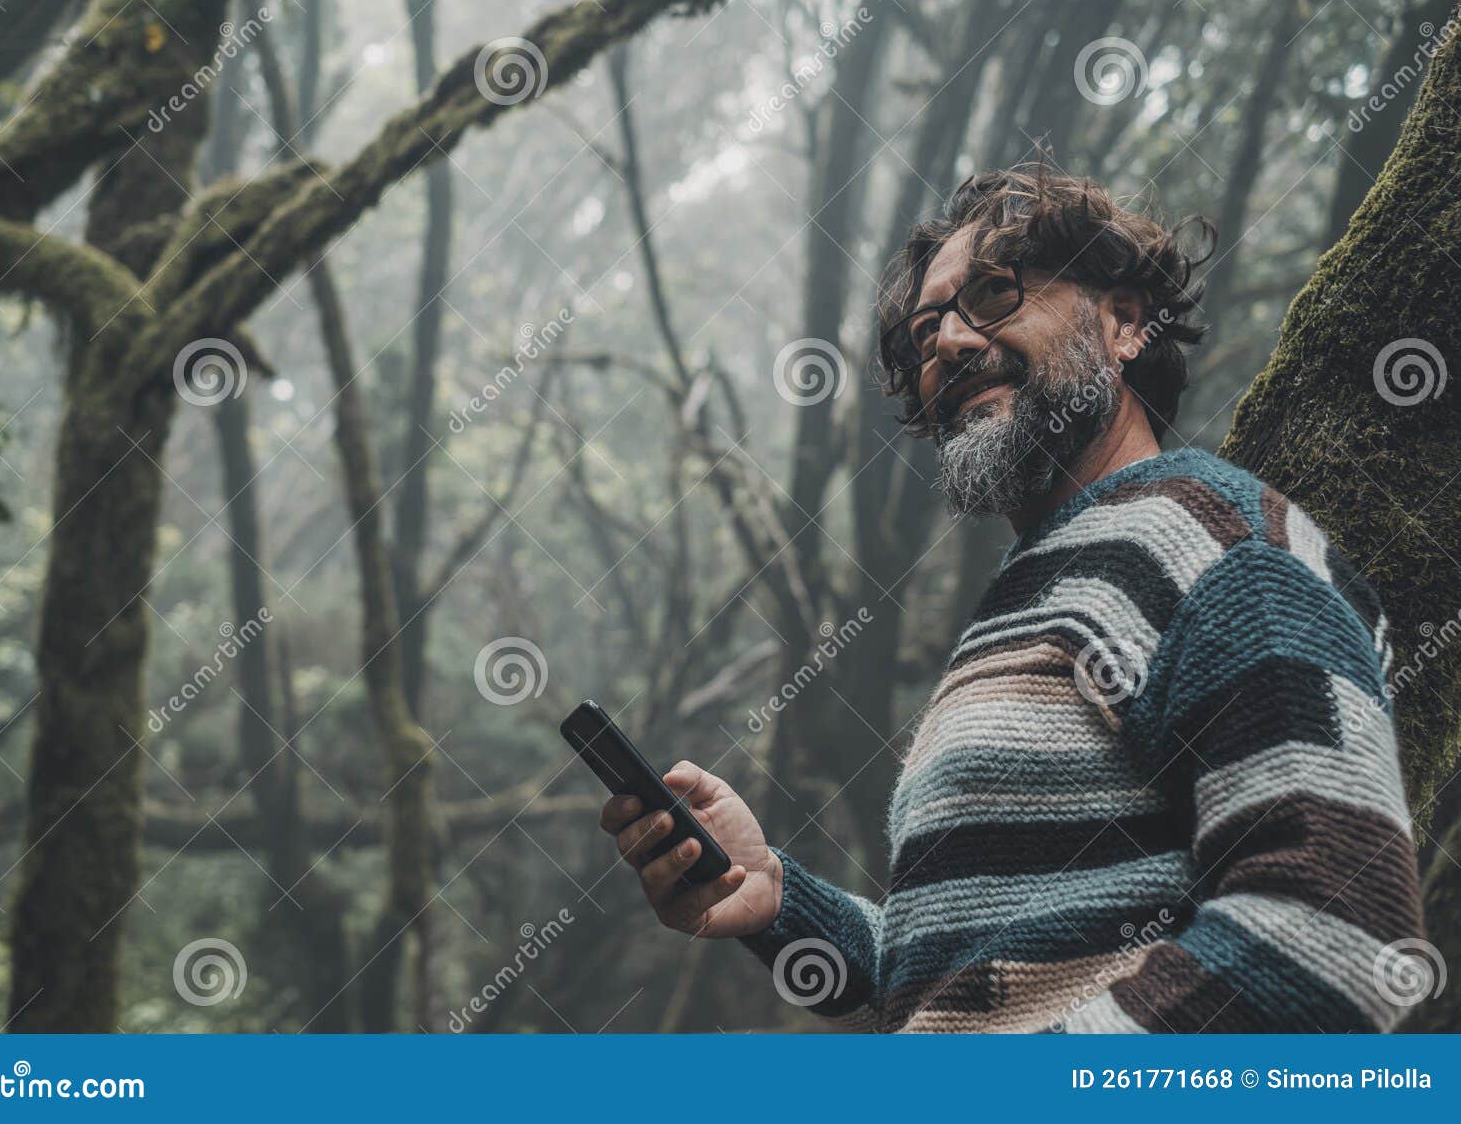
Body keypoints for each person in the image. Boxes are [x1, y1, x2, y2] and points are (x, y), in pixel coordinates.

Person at [598, 166, 1426, 1032]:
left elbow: (1339, 931)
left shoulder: (1221, 548)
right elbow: (981, 982)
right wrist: (777, 898)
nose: (949, 343)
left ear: (1124, 321)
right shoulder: (1040, 592)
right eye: (927, 330)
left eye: (995, 294)